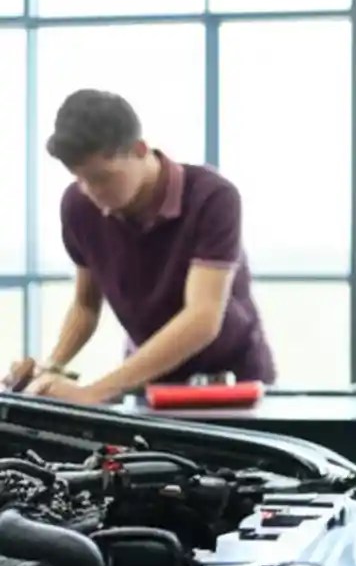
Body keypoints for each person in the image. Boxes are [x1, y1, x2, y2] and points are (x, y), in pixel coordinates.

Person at [2, 89, 275, 404]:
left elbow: (202, 318)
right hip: (147, 382)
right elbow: (86, 305)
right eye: (80, 179)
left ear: (140, 149)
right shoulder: (78, 205)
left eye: (102, 177)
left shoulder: (213, 198)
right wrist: (50, 369)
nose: (92, 192)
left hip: (233, 383)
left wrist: (95, 392)